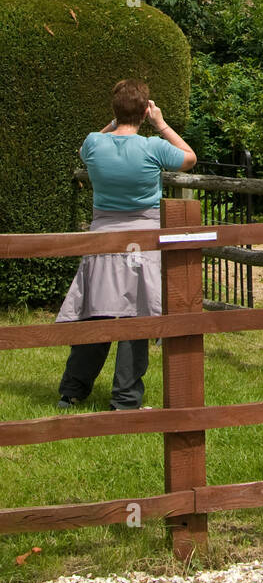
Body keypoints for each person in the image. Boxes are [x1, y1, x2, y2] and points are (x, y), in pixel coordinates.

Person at [56, 79, 197, 411]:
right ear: (146, 111)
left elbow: (88, 145)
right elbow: (189, 158)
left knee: (95, 315)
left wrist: (115, 120)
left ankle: (72, 392)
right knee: (137, 319)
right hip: (143, 243)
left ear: (115, 110)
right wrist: (160, 124)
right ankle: (125, 400)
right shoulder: (152, 147)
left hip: (103, 238)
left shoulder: (94, 144)